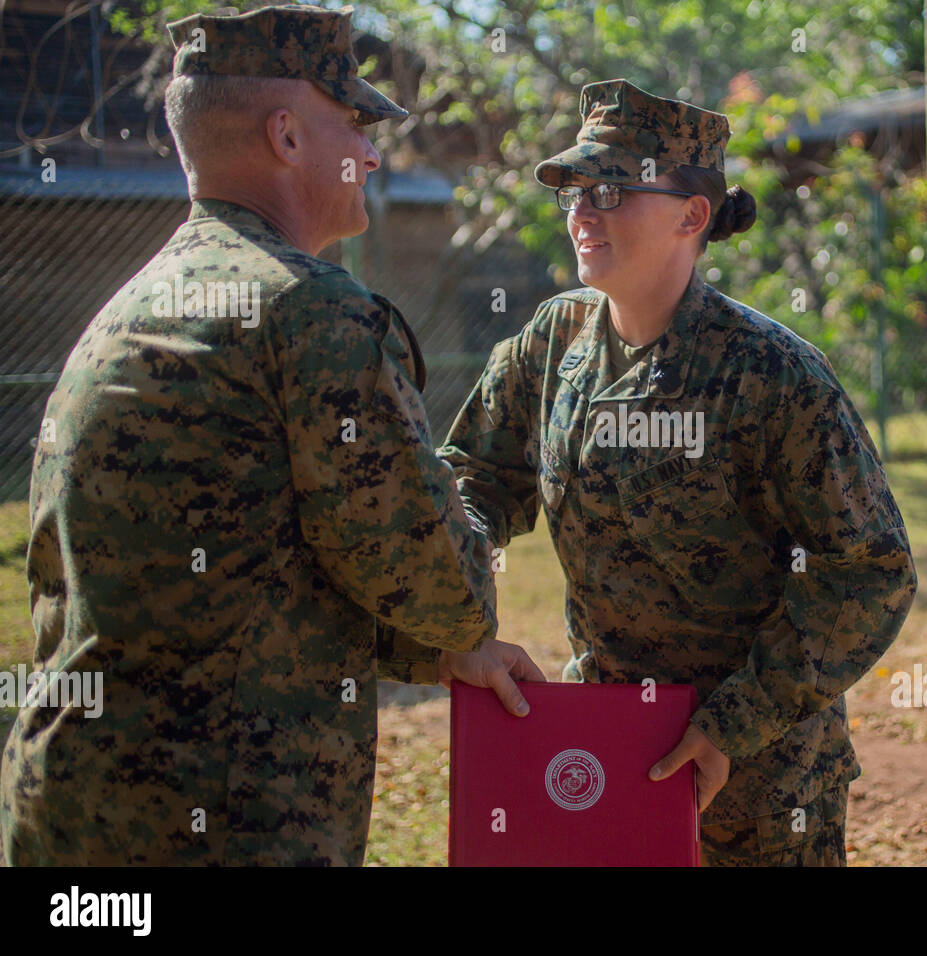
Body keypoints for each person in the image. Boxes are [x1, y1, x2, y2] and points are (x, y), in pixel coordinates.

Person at [0, 4, 541, 867]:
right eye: (354, 123)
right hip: (224, 817)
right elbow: (447, 587)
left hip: (75, 807)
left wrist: (436, 654)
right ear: (287, 137)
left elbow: (239, 568)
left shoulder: (132, 305)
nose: (369, 152)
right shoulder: (312, 312)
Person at [438, 78, 918, 866]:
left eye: (612, 191)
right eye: (574, 192)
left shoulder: (771, 373)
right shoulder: (554, 341)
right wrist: (457, 602)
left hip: (757, 780)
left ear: (692, 216)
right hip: (603, 749)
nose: (582, 213)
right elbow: (478, 476)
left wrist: (735, 721)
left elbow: (870, 571)